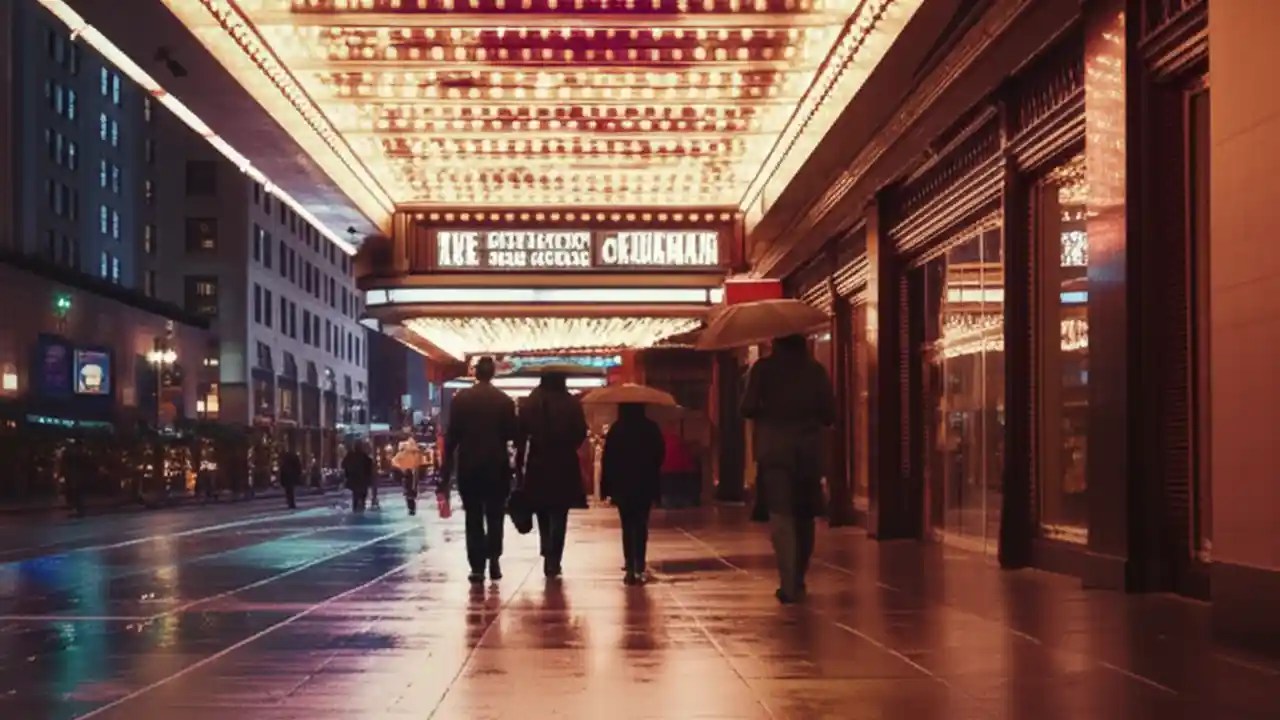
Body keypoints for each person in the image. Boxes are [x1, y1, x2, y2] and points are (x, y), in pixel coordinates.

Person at [741, 333, 835, 604]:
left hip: (774, 451)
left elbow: (746, 407)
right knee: (804, 517)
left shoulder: (763, 369)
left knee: (781, 515)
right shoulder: (815, 370)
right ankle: (799, 578)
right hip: (808, 451)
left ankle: (788, 583)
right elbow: (830, 413)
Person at [439, 357, 518, 582]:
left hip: (469, 465)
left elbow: (452, 436)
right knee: (495, 515)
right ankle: (494, 559)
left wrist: (446, 470)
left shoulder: (461, 400)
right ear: (493, 373)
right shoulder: (504, 401)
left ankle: (476, 567)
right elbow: (513, 433)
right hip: (496, 465)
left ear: (474, 373)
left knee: (473, 517)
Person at [516, 371, 588, 579]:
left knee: (542, 510)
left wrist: (521, 465)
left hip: (538, 462)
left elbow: (521, 433)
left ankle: (546, 547)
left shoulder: (532, 400)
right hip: (564, 462)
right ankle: (554, 558)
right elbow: (581, 432)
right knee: (560, 511)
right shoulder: (571, 403)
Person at [601, 403, 665, 585]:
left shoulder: (617, 428)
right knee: (641, 523)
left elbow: (608, 458)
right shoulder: (651, 428)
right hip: (645, 482)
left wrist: (606, 487)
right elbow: (660, 453)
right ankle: (639, 562)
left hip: (622, 484)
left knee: (627, 524)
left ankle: (629, 562)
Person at [342, 440, 375, 512]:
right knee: (362, 496)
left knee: (356, 496)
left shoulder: (351, 456)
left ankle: (357, 509)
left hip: (355, 481)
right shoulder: (364, 457)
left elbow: (343, 465)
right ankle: (360, 508)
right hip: (362, 481)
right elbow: (370, 468)